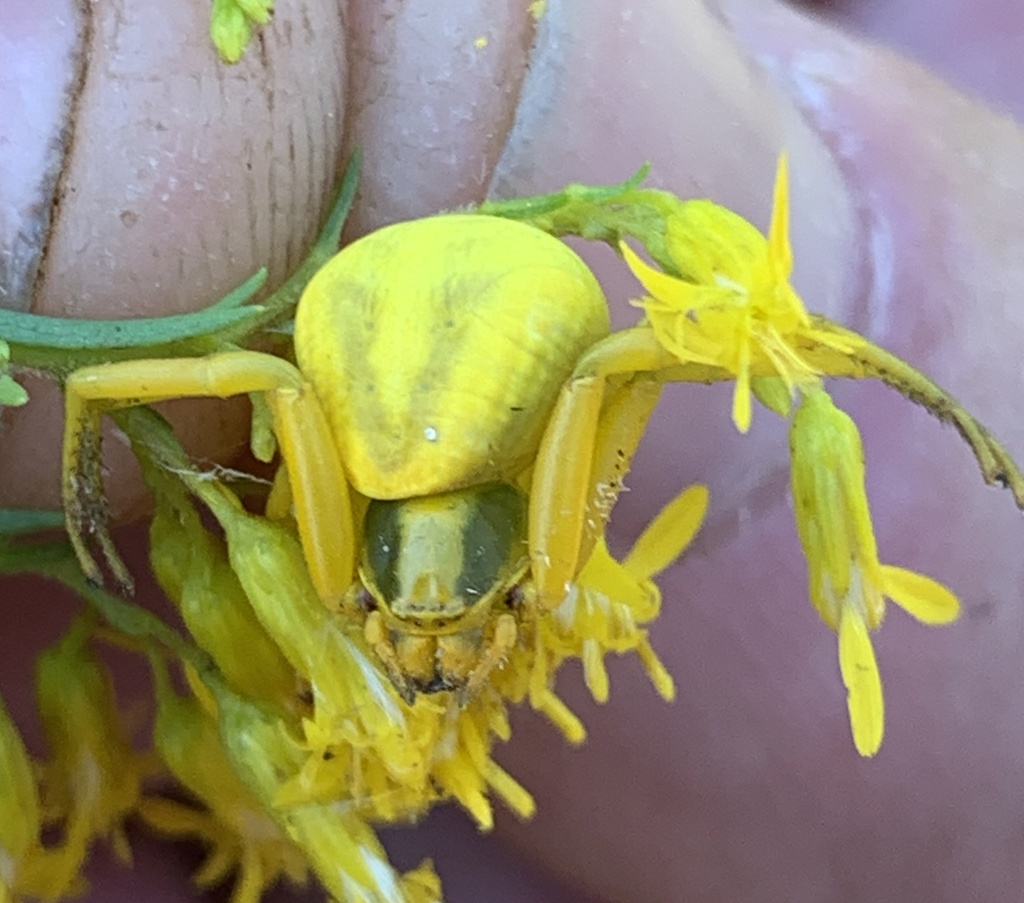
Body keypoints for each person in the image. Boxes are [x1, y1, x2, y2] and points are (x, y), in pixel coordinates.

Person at [3, 0, 1024, 899]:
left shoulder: (406, 556)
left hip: (398, 354)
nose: (430, 652)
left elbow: (290, 387)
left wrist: (95, 411)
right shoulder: (546, 554)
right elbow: (597, 381)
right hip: (431, 336)